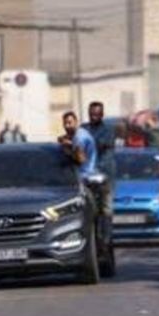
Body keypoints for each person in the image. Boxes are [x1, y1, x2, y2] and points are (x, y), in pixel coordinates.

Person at [82, 102, 116, 242]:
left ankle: (106, 239)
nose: (94, 116)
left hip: (104, 176)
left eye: (97, 114)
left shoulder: (108, 130)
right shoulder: (84, 128)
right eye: (91, 114)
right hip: (86, 176)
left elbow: (99, 144)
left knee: (106, 209)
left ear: (102, 114)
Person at [58, 111, 97, 177]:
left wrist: (68, 150)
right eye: (65, 123)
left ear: (76, 122)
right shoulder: (79, 133)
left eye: (69, 123)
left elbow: (81, 159)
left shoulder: (79, 138)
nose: (67, 126)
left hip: (85, 176)